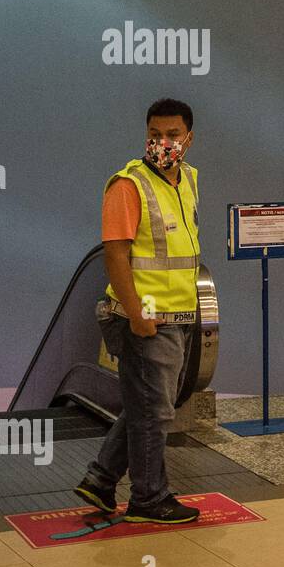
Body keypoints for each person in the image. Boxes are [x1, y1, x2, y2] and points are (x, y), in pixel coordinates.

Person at [74, 99, 203, 524]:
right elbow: (116, 256)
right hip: (144, 319)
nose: (162, 143)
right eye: (154, 134)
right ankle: (150, 499)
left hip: (179, 316)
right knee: (154, 413)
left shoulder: (188, 181)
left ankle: (100, 479)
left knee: (147, 406)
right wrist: (136, 315)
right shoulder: (128, 185)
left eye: (171, 135)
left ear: (189, 138)